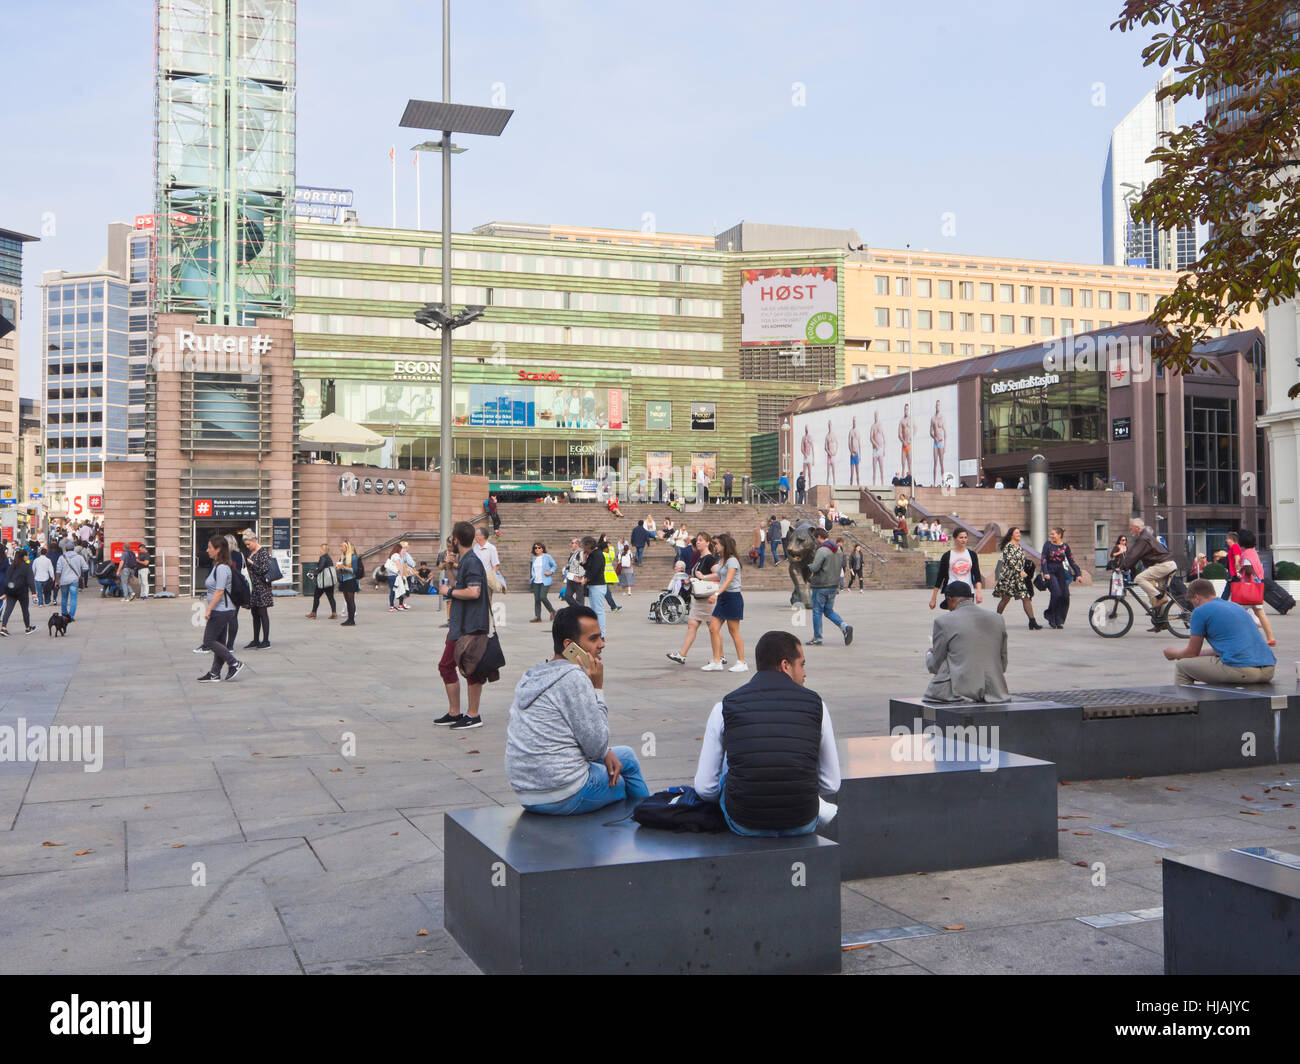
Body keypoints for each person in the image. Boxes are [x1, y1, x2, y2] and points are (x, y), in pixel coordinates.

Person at [693, 630, 841, 838]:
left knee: (734, 755)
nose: (805, 673)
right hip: (802, 820)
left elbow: (704, 788)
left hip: (744, 821)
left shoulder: (724, 706)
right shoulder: (818, 706)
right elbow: (831, 783)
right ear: (785, 665)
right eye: (802, 665)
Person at [506, 605, 649, 815]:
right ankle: (650, 817)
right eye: (593, 639)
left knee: (624, 756)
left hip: (526, 792)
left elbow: (596, 747)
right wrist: (597, 687)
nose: (602, 645)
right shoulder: (574, 678)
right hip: (563, 792)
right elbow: (595, 746)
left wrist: (605, 752)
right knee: (625, 780)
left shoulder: (534, 675)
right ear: (570, 647)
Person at [1164, 579, 1276, 685]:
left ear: (1197, 598)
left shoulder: (1200, 611)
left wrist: (1174, 654)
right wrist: (1194, 655)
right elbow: (1226, 648)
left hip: (1243, 670)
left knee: (1182, 667)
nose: (1193, 606)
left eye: (1192, 603)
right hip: (1268, 670)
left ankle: (1186, 704)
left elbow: (1191, 653)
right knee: (1215, 663)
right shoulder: (1235, 606)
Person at [436, 520, 492, 730]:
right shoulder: (466, 560)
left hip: (471, 625)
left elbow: (474, 591)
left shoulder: (472, 562)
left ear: (456, 540)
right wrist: (450, 568)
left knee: (471, 668)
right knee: (447, 666)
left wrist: (448, 592)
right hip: (460, 624)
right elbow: (459, 585)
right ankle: (455, 712)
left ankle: (473, 714)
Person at [924, 582, 1010, 703]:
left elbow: (935, 666)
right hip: (995, 692)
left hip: (960, 692)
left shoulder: (943, 621)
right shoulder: (997, 618)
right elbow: (1003, 662)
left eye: (948, 606)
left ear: (950, 599)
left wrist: (929, 655)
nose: (949, 610)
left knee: (945, 659)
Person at [667, 533, 727, 666]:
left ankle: (720, 656)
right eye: (697, 540)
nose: (698, 543)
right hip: (699, 598)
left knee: (713, 628)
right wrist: (691, 579)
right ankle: (682, 655)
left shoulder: (710, 559)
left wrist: (703, 577)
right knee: (692, 625)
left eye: (701, 540)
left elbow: (719, 574)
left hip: (708, 598)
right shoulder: (700, 558)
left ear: (707, 543)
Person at [1115, 517, 1178, 631]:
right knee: (1157, 593)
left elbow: (1134, 555)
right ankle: (1161, 622)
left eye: (1132, 529)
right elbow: (1134, 554)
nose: (1131, 531)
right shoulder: (1145, 536)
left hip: (1163, 565)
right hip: (1167, 564)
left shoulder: (1143, 538)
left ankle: (1159, 598)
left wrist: (1122, 567)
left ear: (1137, 528)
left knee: (1139, 578)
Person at [1215, 529, 1276, 646]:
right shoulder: (1253, 551)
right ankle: (1270, 637)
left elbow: (1248, 569)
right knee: (1260, 613)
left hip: (1247, 588)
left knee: (1236, 614)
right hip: (1255, 587)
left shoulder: (1247, 554)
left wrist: (1240, 570)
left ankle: (1235, 639)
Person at [197, 534, 244, 683]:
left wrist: (209, 608)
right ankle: (215, 673)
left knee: (208, 641)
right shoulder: (217, 566)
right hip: (222, 610)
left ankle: (234, 663)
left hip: (222, 610)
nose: (207, 550)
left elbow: (219, 591)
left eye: (210, 547)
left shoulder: (222, 568)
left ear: (218, 550)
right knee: (220, 643)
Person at [705, 532, 747, 673]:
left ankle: (742, 661)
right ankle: (717, 661)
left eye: (716, 544)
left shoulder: (732, 561)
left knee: (733, 631)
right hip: (724, 597)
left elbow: (728, 579)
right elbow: (719, 575)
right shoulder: (722, 560)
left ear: (724, 545)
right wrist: (702, 577)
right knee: (713, 628)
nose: (714, 546)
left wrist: (716, 593)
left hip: (733, 598)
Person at [807, 527, 853, 647]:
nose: (815, 541)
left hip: (821, 585)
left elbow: (815, 567)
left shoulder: (822, 550)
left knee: (817, 612)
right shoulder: (837, 549)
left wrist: (808, 565)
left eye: (815, 538)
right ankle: (845, 627)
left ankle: (817, 637)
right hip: (833, 585)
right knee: (828, 611)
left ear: (818, 537)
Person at [993, 527, 1042, 630]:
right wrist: (1019, 571)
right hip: (1010, 577)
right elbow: (1010, 561)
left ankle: (1032, 621)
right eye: (1017, 533)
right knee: (1005, 599)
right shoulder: (1009, 546)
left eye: (1019, 532)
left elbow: (1021, 560)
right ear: (1011, 535)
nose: (1019, 534)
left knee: (1026, 597)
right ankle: (996, 620)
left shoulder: (1019, 546)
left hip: (1019, 579)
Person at [929, 528, 984, 609]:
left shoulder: (972, 555)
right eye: (961, 537)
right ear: (955, 539)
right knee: (955, 617)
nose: (963, 540)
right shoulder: (947, 556)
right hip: (952, 592)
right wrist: (933, 598)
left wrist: (979, 593)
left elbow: (977, 575)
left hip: (968, 591)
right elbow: (940, 578)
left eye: (965, 537)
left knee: (967, 615)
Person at [1040, 527, 1082, 629]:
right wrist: (1045, 572)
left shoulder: (1065, 546)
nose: (1051, 536)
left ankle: (1059, 619)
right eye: (1051, 534)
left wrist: (1078, 574)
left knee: (1065, 595)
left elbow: (1071, 561)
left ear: (1059, 535)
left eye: (1053, 534)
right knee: (1057, 593)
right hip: (1050, 571)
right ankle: (1051, 616)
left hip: (1060, 571)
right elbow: (1043, 559)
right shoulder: (1048, 545)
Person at [242, 530, 275, 649]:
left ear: (254, 540)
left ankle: (266, 641)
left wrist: (252, 563)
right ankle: (255, 640)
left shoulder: (263, 552)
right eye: (246, 544)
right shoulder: (252, 552)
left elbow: (264, 569)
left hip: (262, 587)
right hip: (254, 588)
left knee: (262, 613)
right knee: (254, 613)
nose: (247, 546)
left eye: (248, 544)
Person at [1, 549, 36, 635]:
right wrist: (34, 593)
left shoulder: (11, 566)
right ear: (24, 557)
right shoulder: (27, 566)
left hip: (11, 591)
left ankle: (3, 627)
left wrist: (5, 592)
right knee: (25, 610)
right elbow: (30, 580)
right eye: (27, 555)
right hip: (22, 591)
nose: (27, 557)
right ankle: (28, 628)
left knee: (8, 610)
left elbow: (6, 579)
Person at [579, 535, 608, 637]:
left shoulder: (598, 555)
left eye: (584, 547)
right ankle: (597, 631)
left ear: (588, 546)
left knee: (599, 610)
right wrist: (584, 558)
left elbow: (594, 571)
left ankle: (601, 634)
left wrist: (586, 580)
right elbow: (588, 567)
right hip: (593, 585)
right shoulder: (592, 555)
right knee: (595, 610)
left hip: (598, 585)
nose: (583, 549)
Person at [55, 543, 88, 619]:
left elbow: (58, 570)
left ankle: (64, 614)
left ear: (66, 549)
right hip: (74, 580)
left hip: (63, 581)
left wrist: (57, 581)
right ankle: (71, 616)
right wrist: (79, 572)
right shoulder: (79, 557)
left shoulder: (61, 557)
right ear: (73, 549)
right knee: (73, 598)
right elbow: (86, 568)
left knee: (64, 598)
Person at [306, 543, 338, 619]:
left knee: (316, 596)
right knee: (330, 597)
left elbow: (321, 568)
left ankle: (313, 613)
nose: (319, 550)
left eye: (320, 549)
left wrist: (314, 574)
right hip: (329, 581)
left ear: (323, 550)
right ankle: (334, 613)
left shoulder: (323, 557)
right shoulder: (328, 557)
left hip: (323, 581)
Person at [529, 541, 558, 623]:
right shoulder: (534, 558)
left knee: (542, 597)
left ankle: (552, 611)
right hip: (536, 581)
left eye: (539, 548)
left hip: (545, 580)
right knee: (537, 600)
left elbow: (554, 565)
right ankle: (537, 617)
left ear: (542, 549)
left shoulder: (547, 557)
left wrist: (551, 572)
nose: (537, 549)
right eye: (535, 548)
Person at [473, 525, 505, 592]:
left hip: (487, 581)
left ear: (482, 536)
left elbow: (495, 565)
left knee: (487, 601)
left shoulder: (491, 548)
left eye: (476, 535)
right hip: (476, 580)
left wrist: (491, 579)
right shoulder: (474, 548)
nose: (475, 537)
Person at [337, 540, 359, 626]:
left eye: (342, 546)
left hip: (350, 580)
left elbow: (355, 570)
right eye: (340, 546)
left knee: (351, 601)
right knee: (347, 601)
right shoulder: (343, 556)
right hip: (343, 580)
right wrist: (339, 568)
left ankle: (352, 620)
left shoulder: (353, 557)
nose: (340, 548)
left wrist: (344, 567)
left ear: (347, 547)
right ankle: (349, 619)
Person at [562, 536, 586, 606]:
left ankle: (581, 612)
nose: (571, 544)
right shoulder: (573, 553)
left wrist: (581, 577)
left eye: (573, 543)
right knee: (567, 596)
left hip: (577, 578)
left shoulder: (581, 553)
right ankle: (577, 608)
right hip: (571, 577)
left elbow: (583, 565)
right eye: (571, 543)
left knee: (579, 597)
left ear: (577, 544)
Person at [384, 547, 408, 613]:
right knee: (401, 590)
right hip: (396, 576)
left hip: (391, 576)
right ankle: (400, 605)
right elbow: (398, 565)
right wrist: (402, 574)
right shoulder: (396, 555)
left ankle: (392, 606)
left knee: (393, 590)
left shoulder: (392, 555)